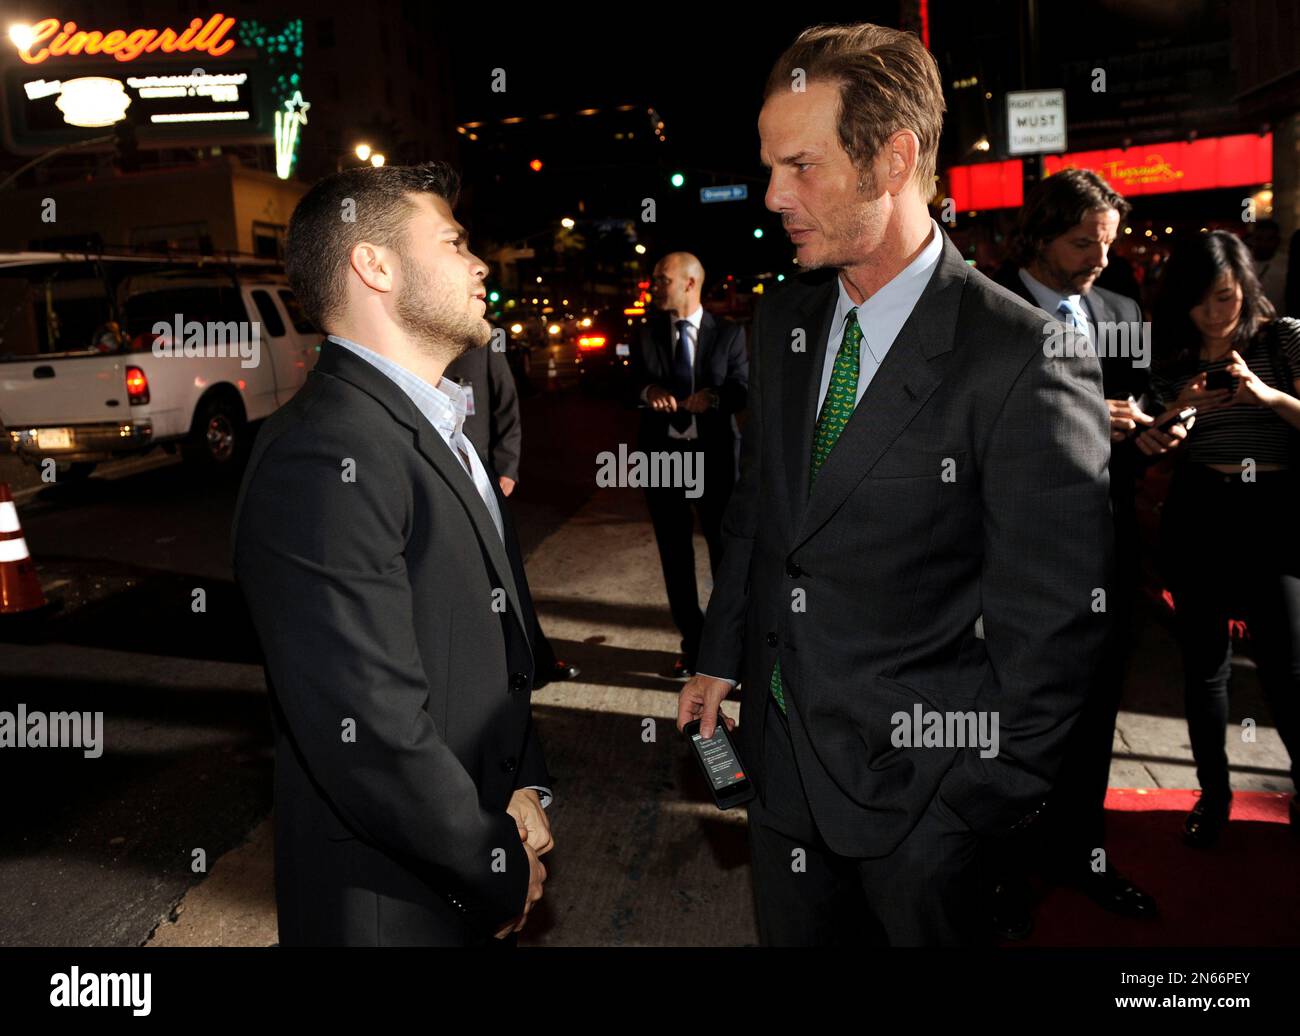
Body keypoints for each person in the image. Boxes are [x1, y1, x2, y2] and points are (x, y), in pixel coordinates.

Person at [676, 22, 1113, 946]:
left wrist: (970, 804)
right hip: (781, 773)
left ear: (894, 159)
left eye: (801, 166)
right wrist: (721, 655)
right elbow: (763, 509)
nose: (771, 195)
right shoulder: (784, 319)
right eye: (768, 165)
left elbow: (1054, 630)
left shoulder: (1024, 357)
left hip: (926, 812)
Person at [232, 162, 553, 946]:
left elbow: (494, 648)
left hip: (462, 866)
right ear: (373, 265)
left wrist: (525, 786)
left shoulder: (435, 429)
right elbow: (368, 730)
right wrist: (495, 862)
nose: (479, 264)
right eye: (453, 242)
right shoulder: (321, 453)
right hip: (390, 907)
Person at [990, 168, 1157, 933]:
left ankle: (1081, 855)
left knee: (1094, 721)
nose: (1099, 255)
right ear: (1040, 235)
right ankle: (999, 869)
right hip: (1016, 563)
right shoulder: (987, 308)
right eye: (1082, 240)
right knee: (1014, 723)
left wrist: (1157, 429)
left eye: (1108, 241)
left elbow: (1142, 406)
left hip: (1109, 552)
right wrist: (1092, 413)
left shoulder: (1121, 308)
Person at [1143, 229, 1300, 847]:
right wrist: (1178, 412)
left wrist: (1268, 396)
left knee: (1287, 665)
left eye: (1227, 297)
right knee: (1204, 666)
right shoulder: (1173, 354)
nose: (1216, 313)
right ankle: (1214, 794)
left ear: (1246, 290)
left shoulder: (1282, 339)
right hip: (1202, 507)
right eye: (1203, 300)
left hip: (1276, 512)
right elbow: (1154, 440)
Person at [630, 251, 748, 678]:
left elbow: (743, 388)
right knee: (675, 559)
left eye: (662, 280)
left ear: (690, 284)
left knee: (725, 557)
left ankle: (728, 650)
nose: (654, 287)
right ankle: (693, 646)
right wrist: (649, 390)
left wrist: (713, 398)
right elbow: (625, 383)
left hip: (714, 461)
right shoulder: (644, 333)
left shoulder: (729, 335)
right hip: (663, 462)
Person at [444, 342, 580, 686]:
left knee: (505, 575)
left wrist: (507, 467)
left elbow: (507, 407)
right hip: (438, 482)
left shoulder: (483, 346)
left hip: (483, 477)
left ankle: (538, 663)